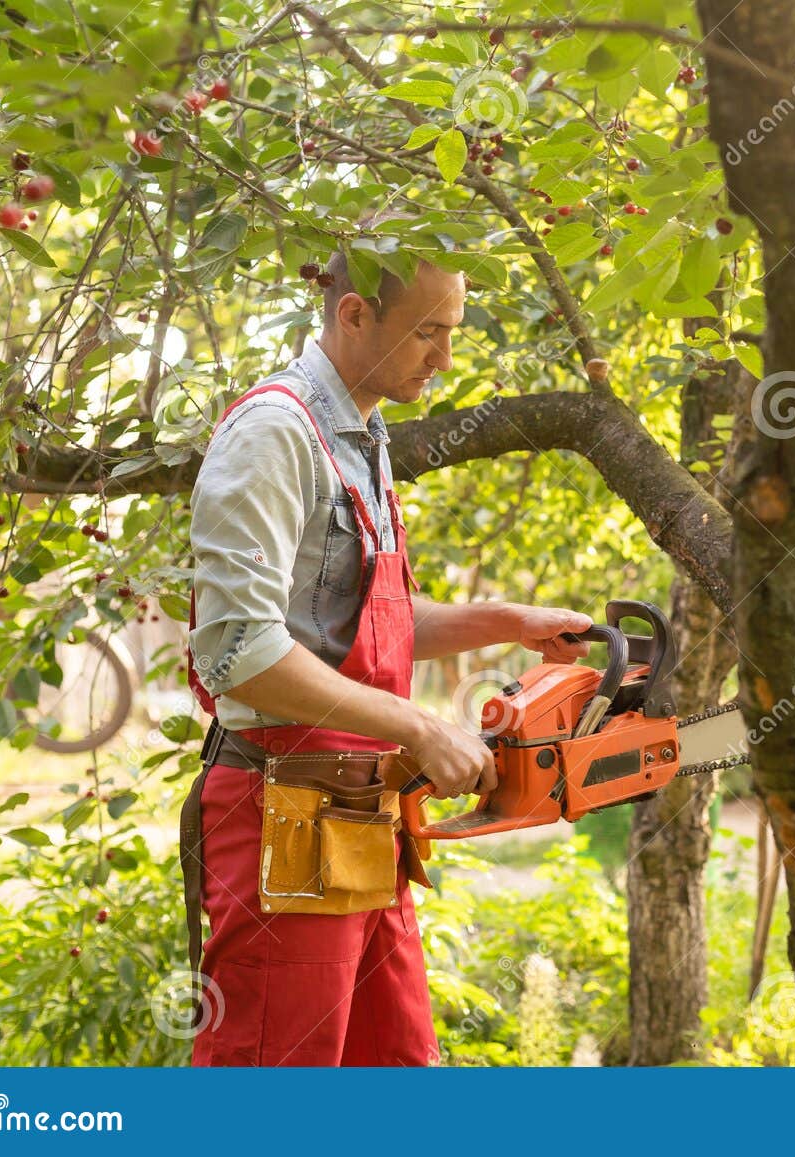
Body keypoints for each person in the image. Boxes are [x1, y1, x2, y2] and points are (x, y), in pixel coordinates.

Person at [181, 237, 592, 1066]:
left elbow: (367, 624)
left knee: (397, 1070)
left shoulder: (363, 435)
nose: (444, 357)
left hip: (362, 825)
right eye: (428, 332)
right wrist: (416, 726)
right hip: (282, 820)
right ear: (355, 313)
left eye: (455, 330)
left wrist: (508, 619)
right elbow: (240, 651)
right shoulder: (276, 434)